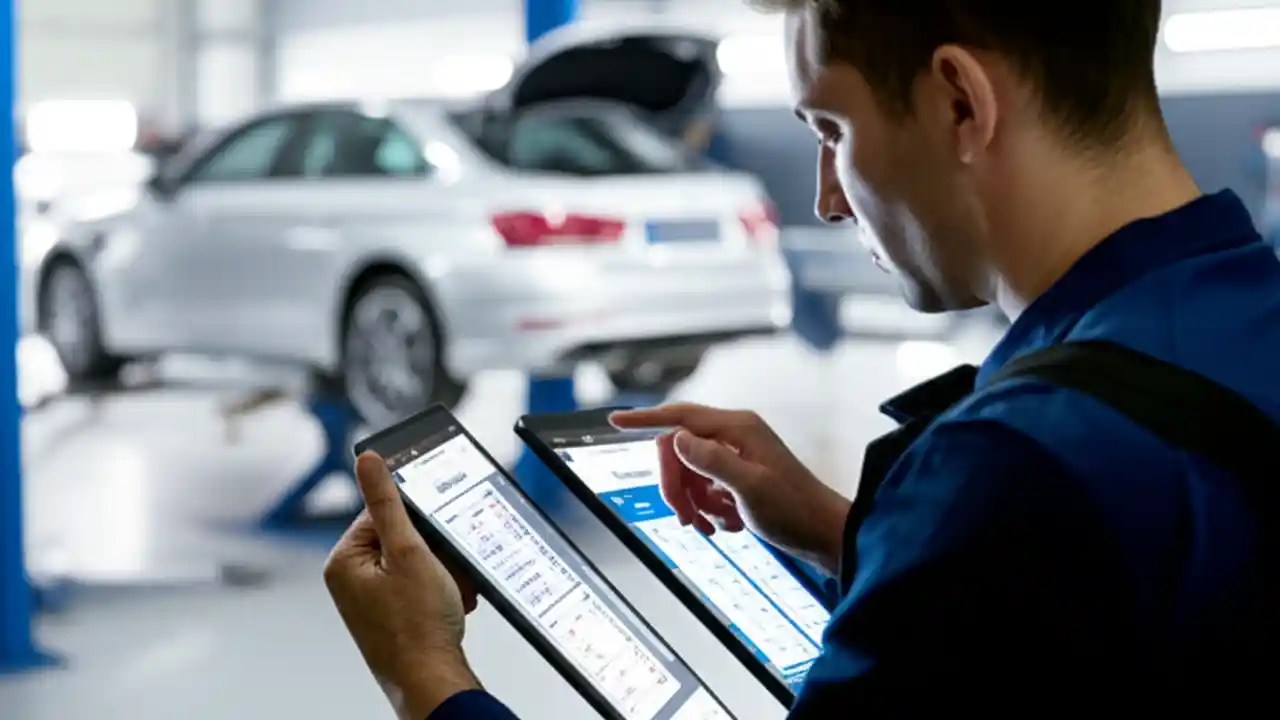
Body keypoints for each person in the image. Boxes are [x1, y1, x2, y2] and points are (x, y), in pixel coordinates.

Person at [324, 0, 1280, 717]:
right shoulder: (1239, 318)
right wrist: (844, 531)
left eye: (832, 131)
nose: (828, 196)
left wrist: (428, 677)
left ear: (959, 100)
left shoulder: (1018, 462)